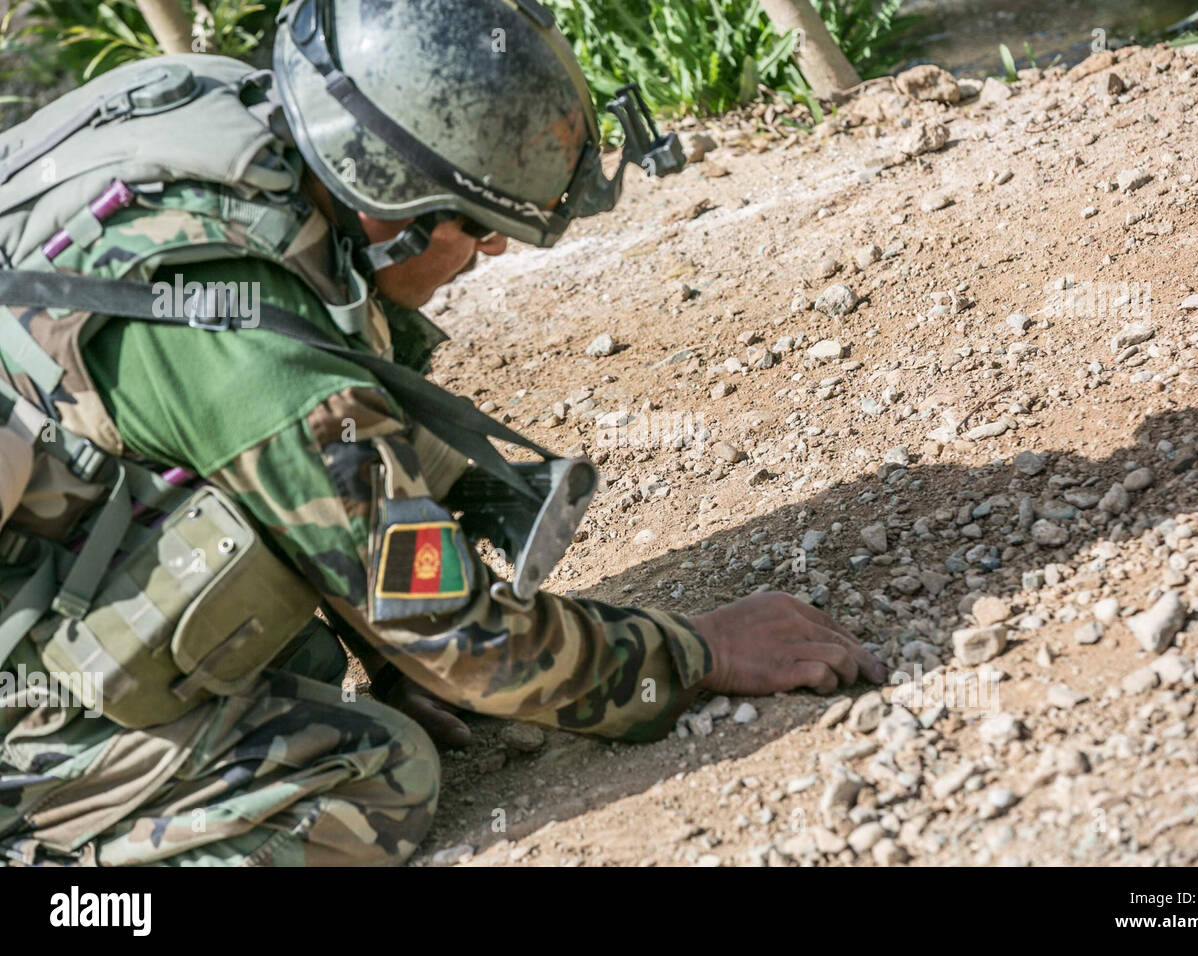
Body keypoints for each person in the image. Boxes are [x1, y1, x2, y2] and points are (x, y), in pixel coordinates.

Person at [0, 0, 884, 866]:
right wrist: (695, 656)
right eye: (475, 226)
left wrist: (379, 650)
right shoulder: (252, 357)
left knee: (281, 641)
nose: (490, 254)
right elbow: (465, 640)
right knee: (373, 781)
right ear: (391, 211)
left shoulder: (223, 115)